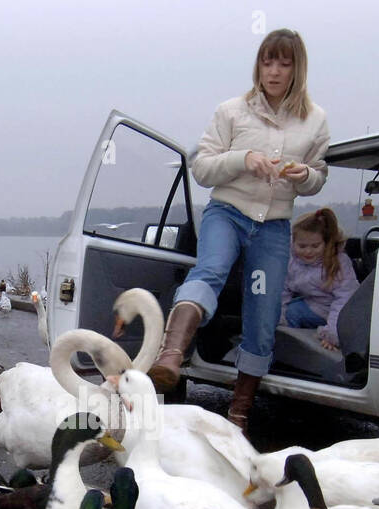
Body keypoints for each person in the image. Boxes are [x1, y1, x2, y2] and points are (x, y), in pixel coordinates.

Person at [148, 28, 330, 432]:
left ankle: (239, 415)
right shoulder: (232, 111)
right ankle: (171, 357)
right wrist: (243, 159)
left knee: (264, 312)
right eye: (268, 61)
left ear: (297, 67)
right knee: (210, 271)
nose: (275, 71)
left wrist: (304, 175)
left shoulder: (315, 119)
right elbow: (202, 168)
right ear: (258, 65)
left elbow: (318, 176)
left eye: (284, 63)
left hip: (273, 228)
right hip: (227, 213)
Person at [280, 207, 359, 351]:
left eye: (315, 246)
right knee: (282, 313)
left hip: (334, 311)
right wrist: (275, 316)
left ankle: (288, 350)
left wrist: (333, 334)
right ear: (293, 242)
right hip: (311, 302)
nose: (308, 251)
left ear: (327, 242)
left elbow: (345, 300)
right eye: (302, 246)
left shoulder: (338, 264)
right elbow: (282, 289)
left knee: (293, 313)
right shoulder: (292, 260)